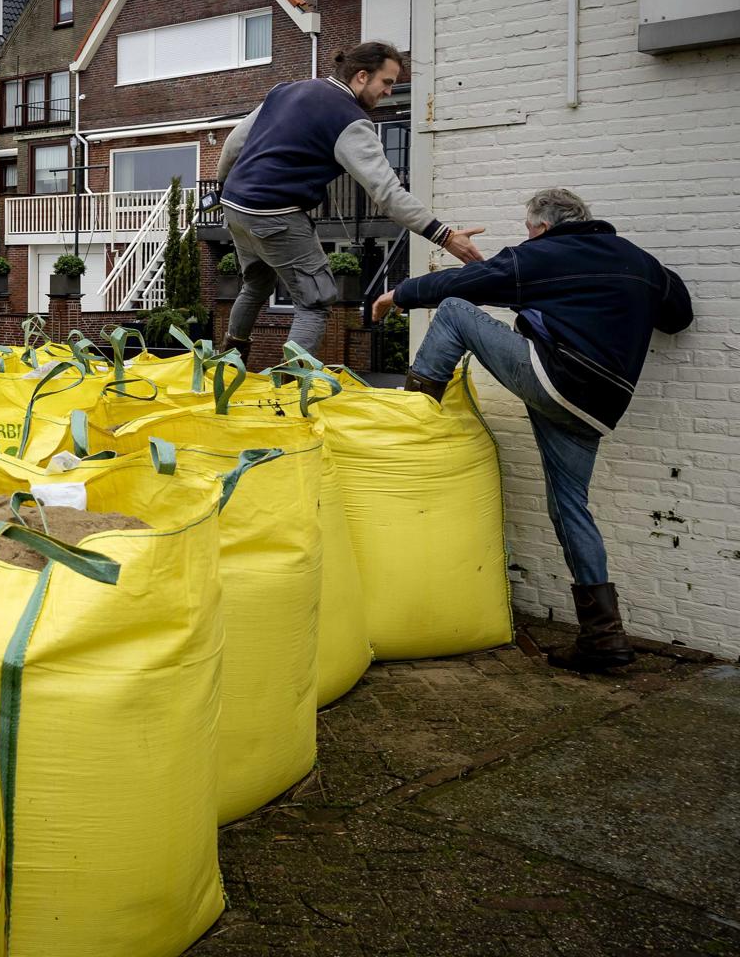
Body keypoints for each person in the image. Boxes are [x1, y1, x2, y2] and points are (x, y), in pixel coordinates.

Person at [372, 188, 693, 673]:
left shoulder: (542, 255)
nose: (527, 237)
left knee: (456, 311)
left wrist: (402, 294)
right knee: (570, 506)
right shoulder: (641, 263)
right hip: (599, 407)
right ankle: (604, 638)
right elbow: (680, 314)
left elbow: (473, 279)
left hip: (558, 377)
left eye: (528, 231)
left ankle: (410, 423)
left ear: (542, 227)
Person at [215, 41, 485, 362]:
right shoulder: (351, 120)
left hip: (235, 205)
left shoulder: (285, 90)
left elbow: (233, 144)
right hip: (278, 214)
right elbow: (387, 194)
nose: (388, 92)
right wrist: (446, 237)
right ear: (361, 76)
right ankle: (287, 396)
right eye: (387, 82)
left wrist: (223, 190)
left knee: (256, 284)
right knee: (314, 304)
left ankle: (226, 366)